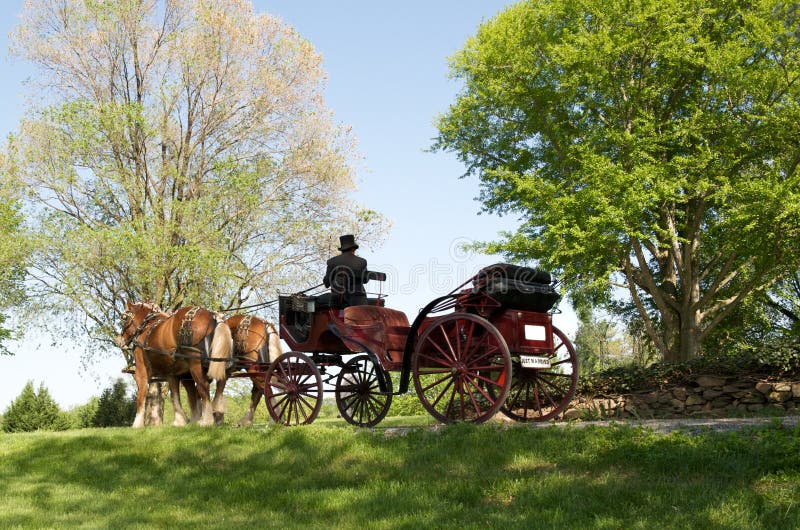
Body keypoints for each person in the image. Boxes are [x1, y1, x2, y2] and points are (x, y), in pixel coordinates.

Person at [322, 234, 369, 307]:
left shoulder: (332, 262)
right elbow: (366, 280)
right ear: (353, 249)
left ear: (342, 250)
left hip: (338, 300)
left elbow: (327, 283)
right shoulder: (362, 262)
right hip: (359, 300)